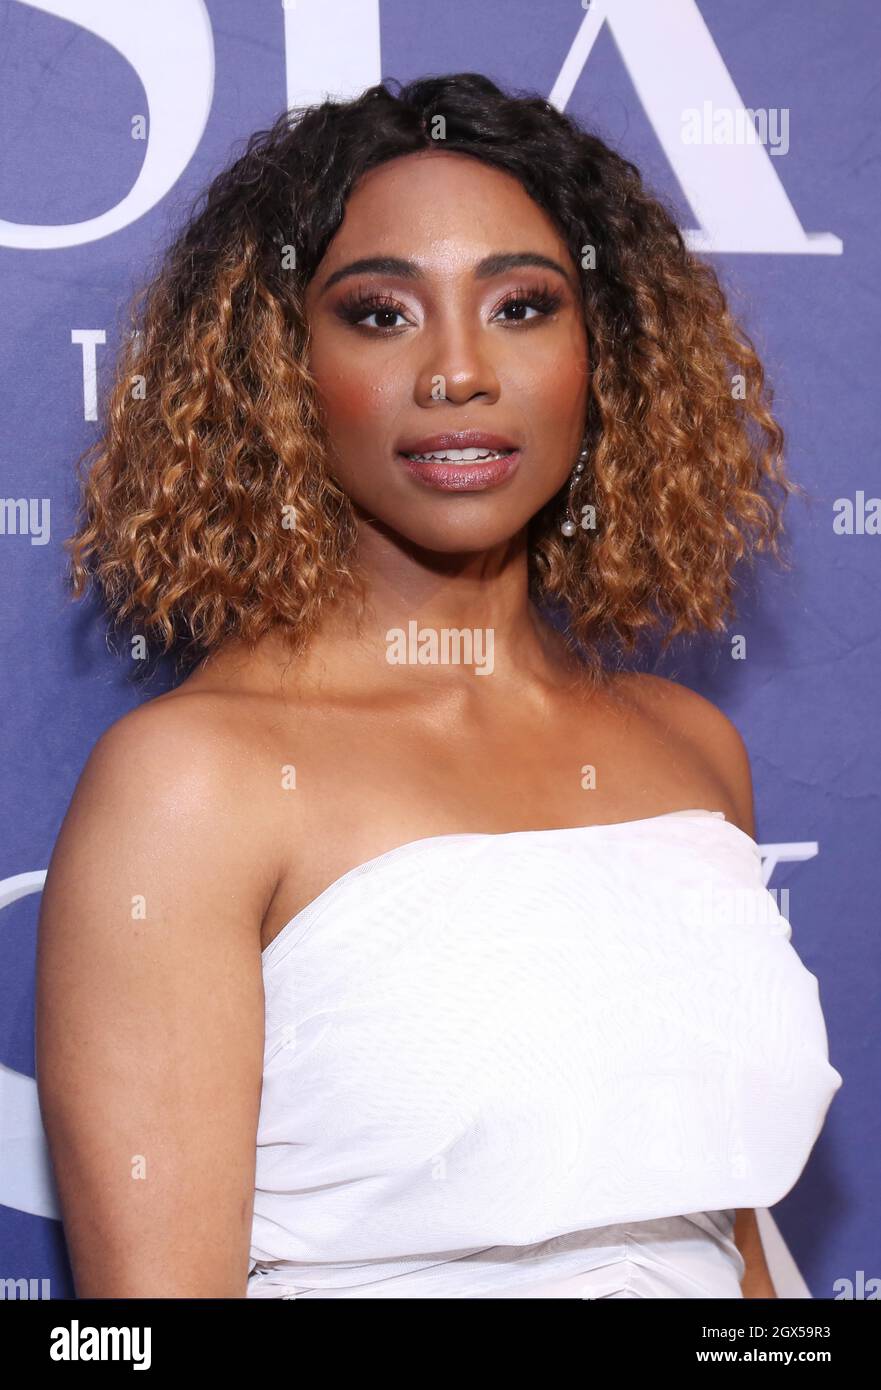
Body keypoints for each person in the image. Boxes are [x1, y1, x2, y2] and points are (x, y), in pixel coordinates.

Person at [35, 73, 842, 1299]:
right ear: (279, 368)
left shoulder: (685, 749)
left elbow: (734, 1255)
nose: (459, 371)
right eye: (379, 314)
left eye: (521, 305)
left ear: (601, 354)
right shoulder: (192, 782)